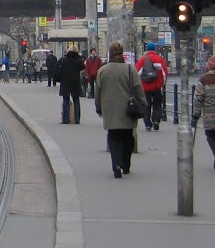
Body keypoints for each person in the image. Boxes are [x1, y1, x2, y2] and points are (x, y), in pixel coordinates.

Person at [94, 41, 147, 179]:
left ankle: (116, 164)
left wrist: (98, 107)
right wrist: (143, 104)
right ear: (122, 53)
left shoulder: (103, 71)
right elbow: (138, 89)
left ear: (110, 54)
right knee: (128, 138)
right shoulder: (130, 69)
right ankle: (126, 164)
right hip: (128, 110)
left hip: (110, 109)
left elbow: (97, 92)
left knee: (113, 137)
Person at [136, 42, 169, 131]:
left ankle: (147, 124)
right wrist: (162, 84)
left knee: (146, 105)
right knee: (157, 104)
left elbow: (137, 73)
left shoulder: (143, 60)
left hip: (146, 87)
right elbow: (165, 74)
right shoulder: (160, 59)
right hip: (157, 87)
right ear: (154, 49)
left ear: (147, 50)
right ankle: (156, 120)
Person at [54, 45, 86, 124]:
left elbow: (57, 67)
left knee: (65, 99)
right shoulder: (79, 60)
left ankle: (66, 119)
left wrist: (58, 78)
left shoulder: (63, 59)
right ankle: (77, 119)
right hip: (75, 81)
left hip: (65, 81)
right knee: (76, 100)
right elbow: (83, 67)